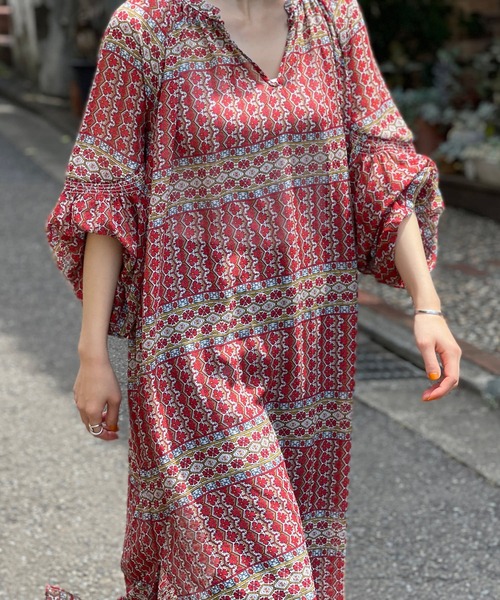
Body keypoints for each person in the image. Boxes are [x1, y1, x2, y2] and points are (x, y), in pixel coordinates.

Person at [45, 0, 462, 598]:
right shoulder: (145, 28)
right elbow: (106, 193)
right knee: (266, 579)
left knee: (284, 559)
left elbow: (381, 166)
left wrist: (427, 303)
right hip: (192, 348)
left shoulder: (332, 18)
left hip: (311, 345)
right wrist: (92, 355)